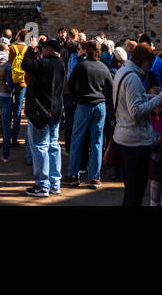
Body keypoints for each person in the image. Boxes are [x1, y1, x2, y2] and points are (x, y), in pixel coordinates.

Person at [112, 41, 162, 206]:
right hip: (134, 142)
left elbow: (129, 101)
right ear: (143, 60)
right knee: (135, 194)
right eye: (149, 63)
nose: (150, 67)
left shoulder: (123, 72)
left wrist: (148, 98)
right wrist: (158, 99)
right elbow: (135, 111)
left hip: (122, 138)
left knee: (130, 193)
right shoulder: (133, 78)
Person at [21, 37, 65, 197]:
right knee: (53, 146)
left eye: (43, 48)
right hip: (55, 110)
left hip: (41, 112)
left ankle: (42, 185)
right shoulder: (60, 64)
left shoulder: (45, 64)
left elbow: (25, 64)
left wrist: (30, 49)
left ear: (49, 50)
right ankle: (54, 183)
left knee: (40, 147)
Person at [64, 40, 111, 188]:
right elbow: (111, 88)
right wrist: (104, 99)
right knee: (97, 143)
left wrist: (77, 98)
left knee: (77, 140)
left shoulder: (81, 66)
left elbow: (70, 84)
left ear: (87, 51)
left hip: (84, 105)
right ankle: (94, 178)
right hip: (100, 105)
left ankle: (73, 175)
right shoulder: (104, 67)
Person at [9, 30, 28, 144]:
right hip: (23, 82)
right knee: (18, 110)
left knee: (8, 109)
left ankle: (7, 136)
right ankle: (15, 138)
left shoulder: (11, 48)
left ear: (18, 36)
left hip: (11, 82)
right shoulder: (28, 50)